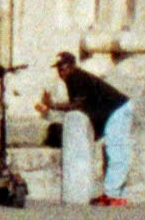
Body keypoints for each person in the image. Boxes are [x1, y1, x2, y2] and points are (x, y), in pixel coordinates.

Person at [44, 48, 133, 204]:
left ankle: (113, 195)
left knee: (115, 149)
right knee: (114, 149)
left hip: (117, 109)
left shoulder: (76, 77)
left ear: (72, 66)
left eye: (63, 67)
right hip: (112, 111)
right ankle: (116, 194)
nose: (61, 72)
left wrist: (54, 105)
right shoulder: (73, 80)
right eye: (58, 68)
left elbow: (77, 104)